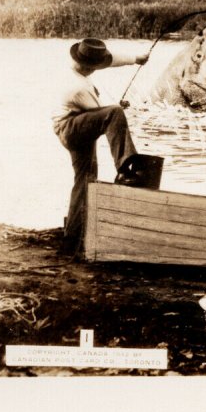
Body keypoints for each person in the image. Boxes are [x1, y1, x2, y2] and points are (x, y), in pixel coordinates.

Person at [52, 38, 149, 257]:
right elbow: (105, 114)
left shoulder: (79, 69)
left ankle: (72, 240)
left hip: (75, 123)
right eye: (96, 67)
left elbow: (111, 59)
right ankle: (126, 166)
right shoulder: (76, 86)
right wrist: (118, 109)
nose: (99, 69)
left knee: (85, 181)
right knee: (114, 114)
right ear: (88, 66)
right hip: (72, 128)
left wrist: (135, 59)